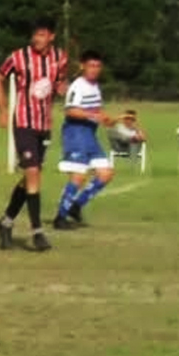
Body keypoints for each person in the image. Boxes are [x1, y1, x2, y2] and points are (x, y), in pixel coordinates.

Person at [0, 18, 66, 252]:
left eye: (42, 35)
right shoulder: (18, 57)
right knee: (33, 173)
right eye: (35, 34)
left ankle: (5, 222)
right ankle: (37, 232)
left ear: (51, 36)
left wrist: (61, 88)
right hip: (24, 123)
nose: (37, 39)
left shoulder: (59, 57)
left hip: (44, 125)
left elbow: (58, 83)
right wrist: (3, 110)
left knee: (30, 179)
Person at [53, 49, 117, 229]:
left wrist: (105, 119)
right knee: (78, 176)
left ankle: (76, 206)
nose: (94, 69)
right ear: (82, 66)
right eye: (91, 65)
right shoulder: (78, 86)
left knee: (105, 174)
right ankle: (60, 217)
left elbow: (95, 110)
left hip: (90, 134)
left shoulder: (95, 86)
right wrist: (93, 116)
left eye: (98, 66)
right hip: (76, 134)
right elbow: (70, 111)